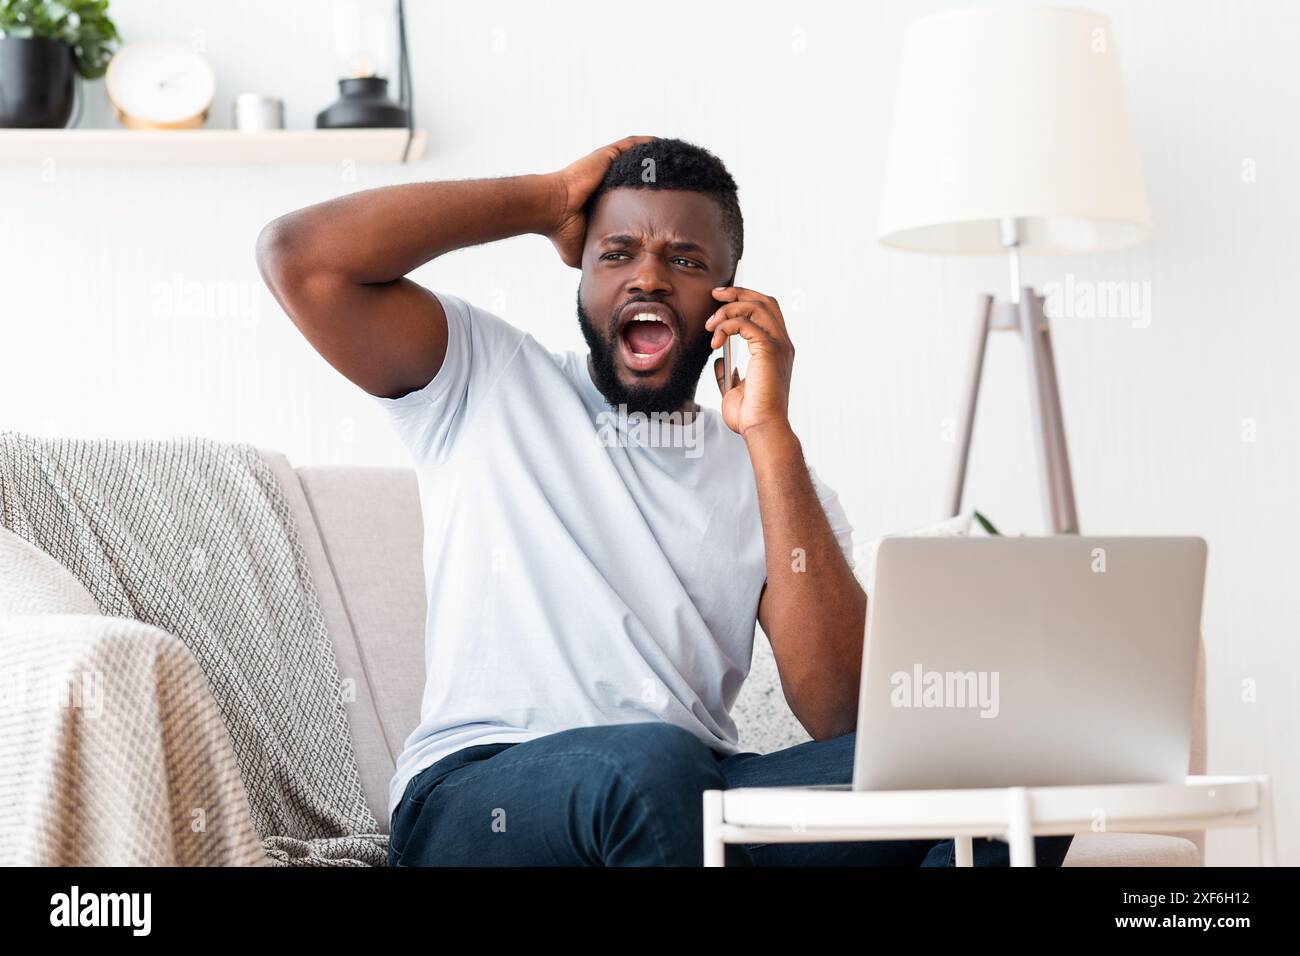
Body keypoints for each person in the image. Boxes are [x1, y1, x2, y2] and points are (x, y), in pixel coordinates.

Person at [255, 135, 1074, 867]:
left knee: (1013, 770)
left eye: (685, 260)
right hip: (481, 799)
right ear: (582, 278)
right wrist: (547, 198)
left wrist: (771, 435)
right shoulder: (484, 382)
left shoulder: (769, 474)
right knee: (652, 767)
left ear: (727, 300)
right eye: (617, 253)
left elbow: (846, 716)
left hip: (692, 802)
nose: (648, 274)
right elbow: (301, 257)